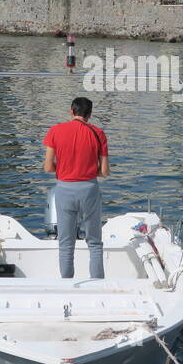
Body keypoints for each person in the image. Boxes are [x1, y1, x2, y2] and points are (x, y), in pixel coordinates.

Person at [43, 97, 110, 279]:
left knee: (66, 244)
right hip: (89, 189)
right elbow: (104, 171)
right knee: (94, 243)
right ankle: (97, 284)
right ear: (89, 114)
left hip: (64, 189)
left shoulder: (55, 131)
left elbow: (48, 167)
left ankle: (67, 285)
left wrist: (66, 169)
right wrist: (86, 170)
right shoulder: (98, 133)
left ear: (71, 111)